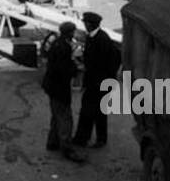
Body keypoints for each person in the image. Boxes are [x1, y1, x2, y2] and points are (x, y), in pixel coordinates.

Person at [73, 13, 119, 150]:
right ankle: (100, 139)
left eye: (85, 23)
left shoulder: (101, 39)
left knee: (88, 111)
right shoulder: (93, 37)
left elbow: (114, 60)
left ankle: (82, 139)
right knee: (99, 112)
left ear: (91, 24)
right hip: (95, 81)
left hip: (99, 83)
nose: (84, 25)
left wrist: (105, 80)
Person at [41, 22, 84, 161]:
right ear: (70, 32)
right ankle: (67, 149)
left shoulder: (58, 43)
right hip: (59, 88)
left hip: (51, 86)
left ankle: (53, 142)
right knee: (65, 118)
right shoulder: (63, 47)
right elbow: (62, 69)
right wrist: (76, 69)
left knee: (56, 115)